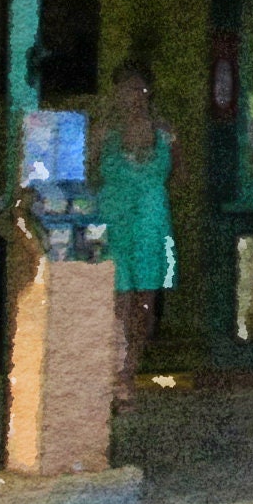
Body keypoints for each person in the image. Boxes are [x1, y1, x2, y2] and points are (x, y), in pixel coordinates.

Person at [93, 57, 177, 405]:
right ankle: (113, 376)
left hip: (152, 226)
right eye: (126, 89)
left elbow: (178, 176)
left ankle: (131, 371)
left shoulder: (166, 133)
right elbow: (83, 176)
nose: (134, 96)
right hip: (115, 223)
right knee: (118, 301)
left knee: (146, 302)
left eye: (140, 88)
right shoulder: (103, 133)